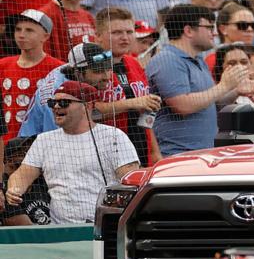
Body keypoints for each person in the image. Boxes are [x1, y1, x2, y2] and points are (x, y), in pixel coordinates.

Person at [7, 79, 138, 222]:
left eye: (64, 103)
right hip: (62, 231)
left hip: (104, 226)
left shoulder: (113, 136)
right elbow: (22, 174)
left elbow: (131, 182)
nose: (56, 107)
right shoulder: (44, 140)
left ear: (87, 106)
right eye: (52, 103)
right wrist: (14, 189)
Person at [16, 37, 162, 164]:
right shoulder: (58, 95)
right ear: (79, 73)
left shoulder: (73, 75)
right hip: (28, 152)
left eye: (108, 69)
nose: (107, 77)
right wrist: (133, 103)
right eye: (98, 71)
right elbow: (59, 145)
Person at [145, 4, 254, 155]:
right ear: (188, 30)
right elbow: (183, 106)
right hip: (177, 154)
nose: (215, 33)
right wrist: (223, 86)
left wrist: (236, 91)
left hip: (203, 152)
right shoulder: (167, 60)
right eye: (209, 28)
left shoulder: (198, 59)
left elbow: (210, 101)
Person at [1, 8, 60, 140]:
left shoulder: (57, 69)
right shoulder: (3, 65)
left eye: (29, 30)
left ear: (45, 36)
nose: (21, 35)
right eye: (18, 29)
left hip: (41, 141)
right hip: (5, 141)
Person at [212, 40, 254, 127]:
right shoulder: (219, 97)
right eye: (232, 63)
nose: (239, 66)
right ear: (221, 69)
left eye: (244, 62)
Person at [1, 134, 56, 224]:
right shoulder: (4, 187)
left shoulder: (40, 182)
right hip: (31, 236)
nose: (31, 156)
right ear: (9, 160)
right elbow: (22, 225)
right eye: (25, 153)